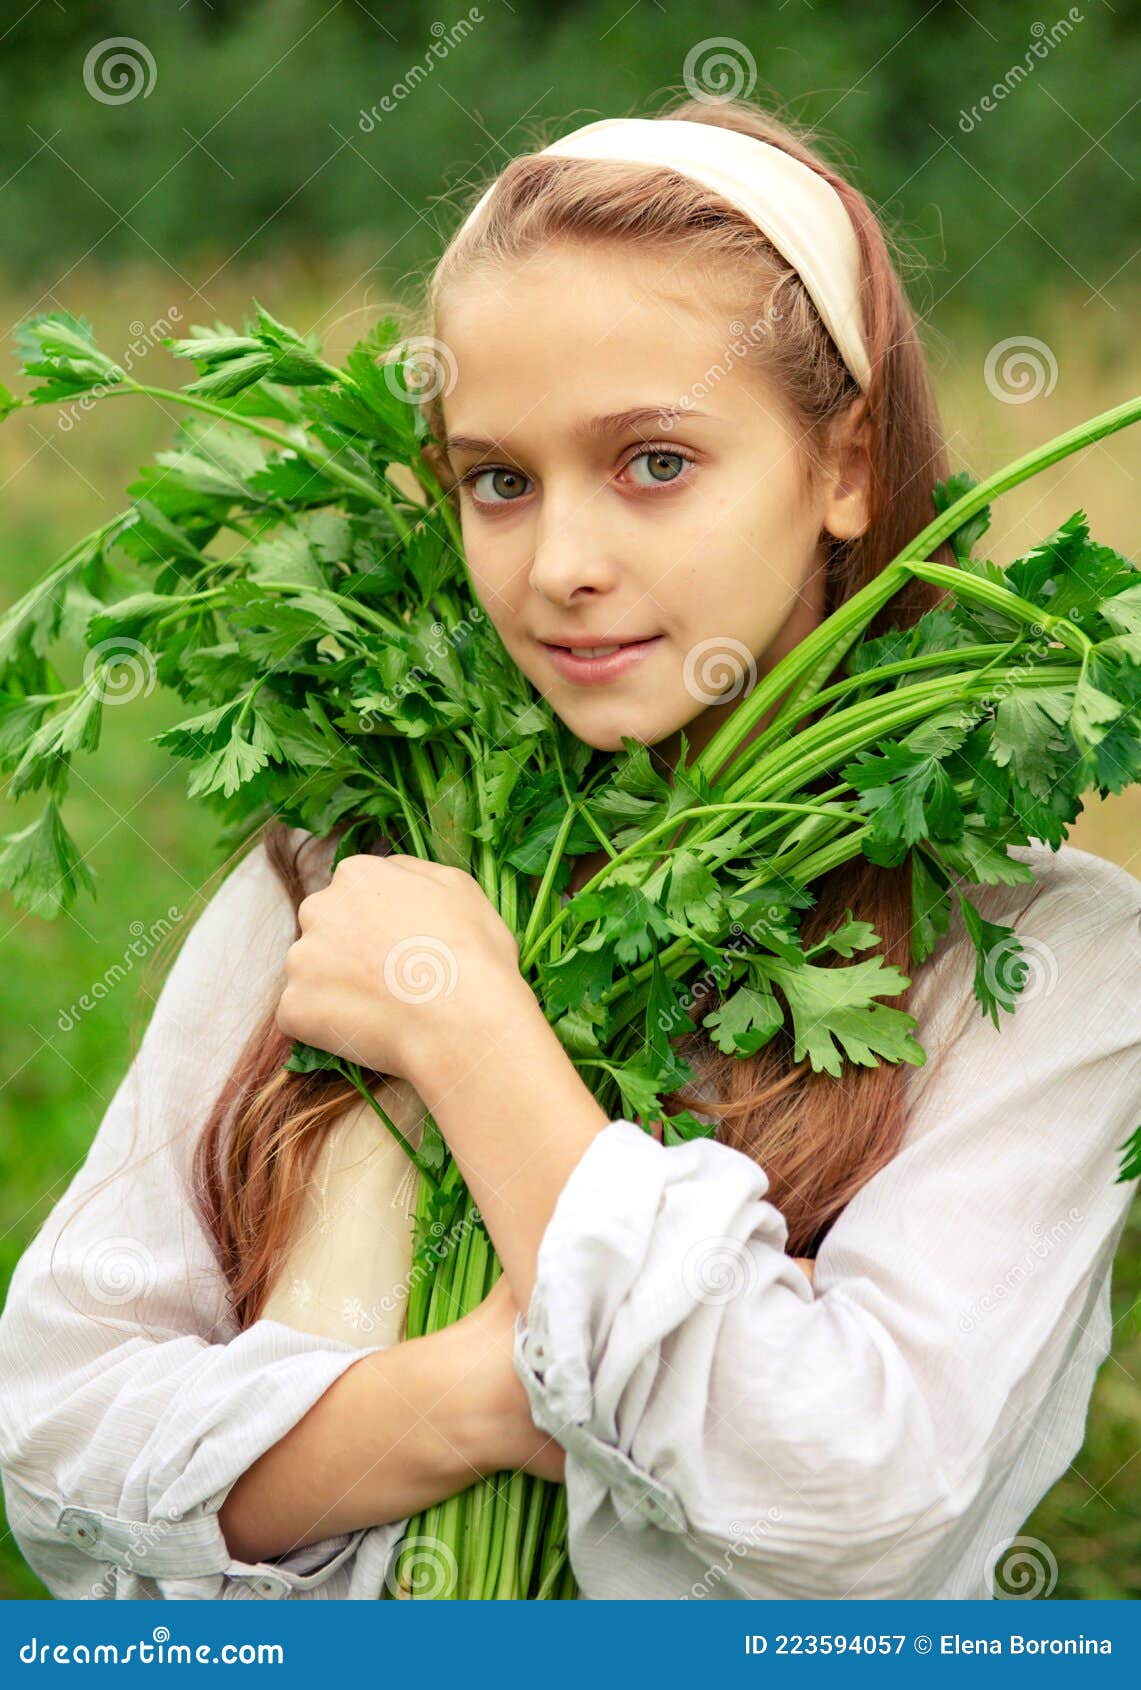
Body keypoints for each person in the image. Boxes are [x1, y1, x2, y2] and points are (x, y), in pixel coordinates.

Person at [1, 97, 1138, 1603]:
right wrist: (474, 1400)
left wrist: (470, 1032)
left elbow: (847, 1504)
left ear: (846, 463)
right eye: (497, 478)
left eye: (653, 462)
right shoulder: (348, 860)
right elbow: (56, 1432)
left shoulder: (1042, 952)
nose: (559, 567)